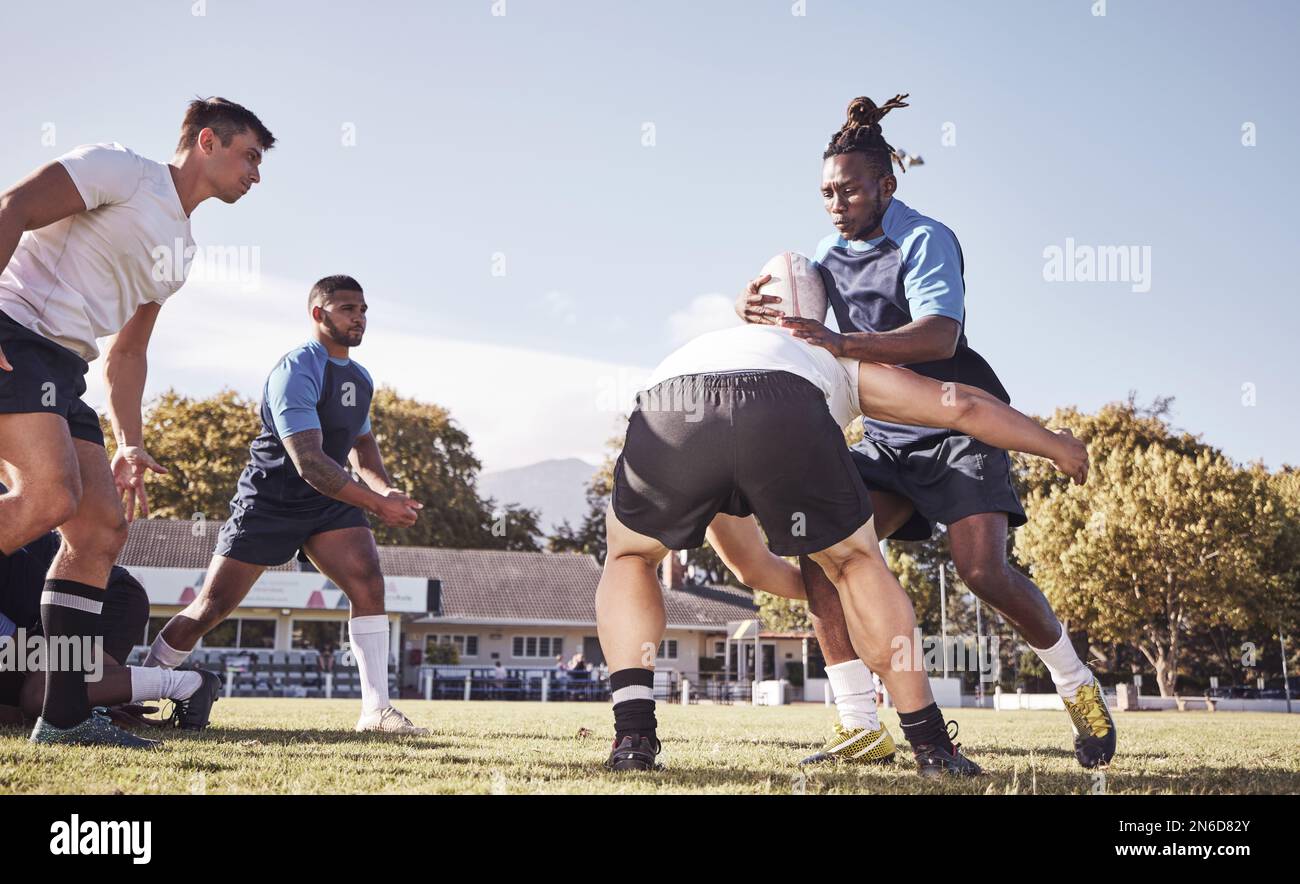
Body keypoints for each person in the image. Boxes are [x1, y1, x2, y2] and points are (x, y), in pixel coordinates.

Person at [736, 94, 1116, 769]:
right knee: (824, 547)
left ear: (886, 184)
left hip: (954, 426)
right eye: (826, 192)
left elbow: (940, 335)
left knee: (983, 571)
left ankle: (1076, 684)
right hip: (883, 437)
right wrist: (752, 305)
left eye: (849, 189)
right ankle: (858, 722)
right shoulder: (825, 251)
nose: (836, 203)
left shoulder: (925, 238)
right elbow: (798, 319)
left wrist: (843, 340)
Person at [598, 282, 1086, 774]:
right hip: (782, 401)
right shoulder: (827, 354)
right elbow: (962, 406)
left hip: (669, 406)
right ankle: (932, 747)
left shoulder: (708, 346)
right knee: (855, 563)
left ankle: (633, 738)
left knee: (630, 557)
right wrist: (1054, 446)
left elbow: (750, 568)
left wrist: (824, 594)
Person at [0, 97, 273, 747]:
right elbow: (13, 206)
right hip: (15, 335)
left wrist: (131, 442)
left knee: (99, 528)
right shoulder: (120, 170)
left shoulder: (179, 252)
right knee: (48, 497)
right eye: (251, 157)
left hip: (69, 368)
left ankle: (64, 719)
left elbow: (127, 353)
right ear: (208, 141)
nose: (257, 175)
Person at [143, 276, 427, 734]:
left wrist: (384, 488)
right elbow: (310, 462)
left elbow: (362, 443)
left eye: (364, 309)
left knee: (369, 584)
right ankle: (135, 690)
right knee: (210, 609)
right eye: (348, 308)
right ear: (319, 314)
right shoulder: (297, 368)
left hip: (329, 505)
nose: (359, 317)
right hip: (271, 501)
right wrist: (375, 503)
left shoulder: (359, 377)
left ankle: (377, 711)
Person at [0, 527, 222, 745]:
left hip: (103, 597)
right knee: (41, 699)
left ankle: (186, 684)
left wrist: (78, 698)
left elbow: (21, 652)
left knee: (41, 696)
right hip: (51, 614)